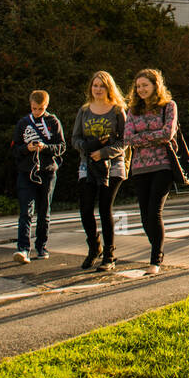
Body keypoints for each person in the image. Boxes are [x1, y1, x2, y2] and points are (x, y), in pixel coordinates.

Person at [71, 71, 127, 271]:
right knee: (86, 208)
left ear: (109, 88)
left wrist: (104, 152)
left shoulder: (118, 111)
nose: (98, 89)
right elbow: (75, 138)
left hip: (112, 165)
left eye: (102, 86)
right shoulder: (84, 111)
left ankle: (110, 255)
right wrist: (87, 147)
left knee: (105, 209)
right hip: (88, 164)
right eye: (95, 85)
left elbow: (124, 141)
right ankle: (95, 247)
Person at [124, 68, 177, 275]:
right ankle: (157, 246)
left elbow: (167, 133)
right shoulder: (132, 110)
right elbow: (128, 138)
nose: (141, 89)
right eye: (138, 86)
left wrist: (142, 136)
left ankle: (156, 257)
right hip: (139, 167)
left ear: (156, 85)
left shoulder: (168, 106)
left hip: (162, 165)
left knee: (154, 211)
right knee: (144, 215)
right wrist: (152, 136)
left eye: (145, 85)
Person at [11, 90, 66, 264]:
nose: (36, 112)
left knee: (44, 211)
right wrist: (26, 149)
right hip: (26, 172)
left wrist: (45, 147)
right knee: (26, 212)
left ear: (46, 106)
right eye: (34, 108)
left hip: (47, 171)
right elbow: (14, 149)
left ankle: (41, 246)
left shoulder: (53, 122)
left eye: (40, 108)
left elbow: (62, 146)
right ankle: (23, 248)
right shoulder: (23, 123)